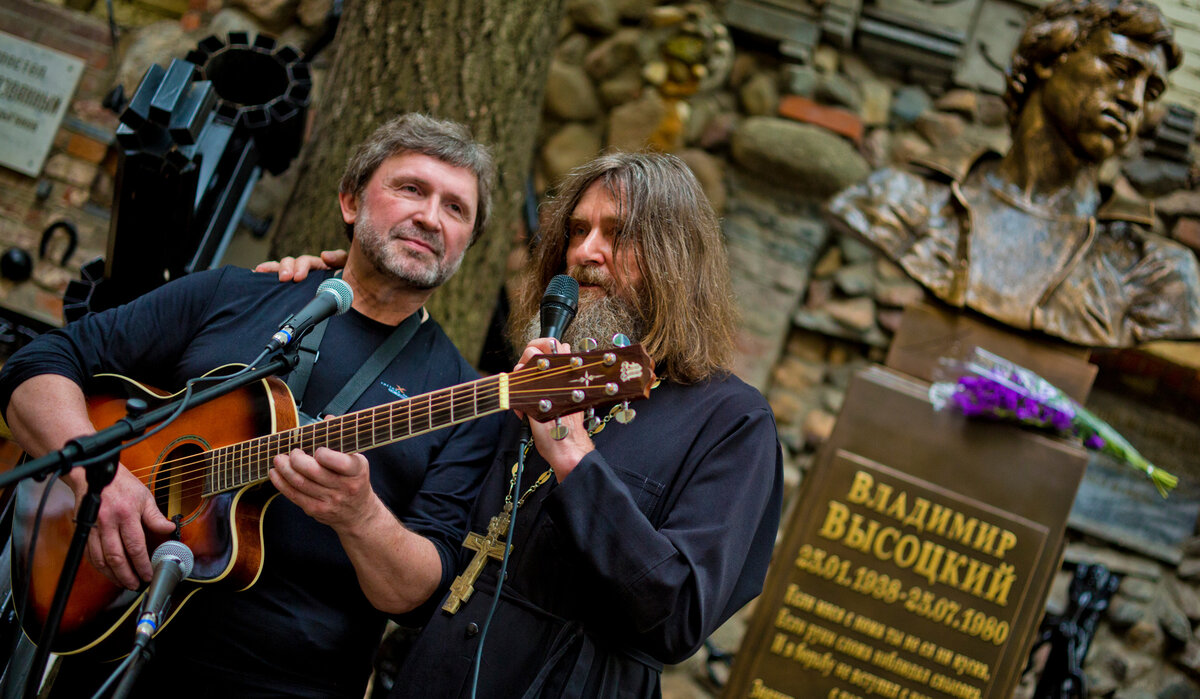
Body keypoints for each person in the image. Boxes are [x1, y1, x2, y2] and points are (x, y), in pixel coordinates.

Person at [0, 113, 503, 697]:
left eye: (455, 208)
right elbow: (37, 366)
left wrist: (360, 515)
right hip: (110, 640)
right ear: (350, 201)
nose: (430, 216)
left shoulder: (463, 401)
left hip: (287, 682)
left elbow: (418, 598)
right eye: (411, 188)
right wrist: (98, 478)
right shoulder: (234, 293)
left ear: (466, 242)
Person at [275, 151, 784, 697]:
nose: (586, 252)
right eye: (578, 230)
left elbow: (679, 616)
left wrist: (573, 457)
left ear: (676, 259)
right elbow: (435, 558)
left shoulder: (733, 421)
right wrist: (340, 285)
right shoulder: (528, 381)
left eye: (618, 233)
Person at [827, 0, 1200, 347]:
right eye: (1119, 70)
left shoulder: (1157, 272)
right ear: (1049, 60)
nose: (1134, 100)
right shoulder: (899, 200)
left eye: (1150, 91)